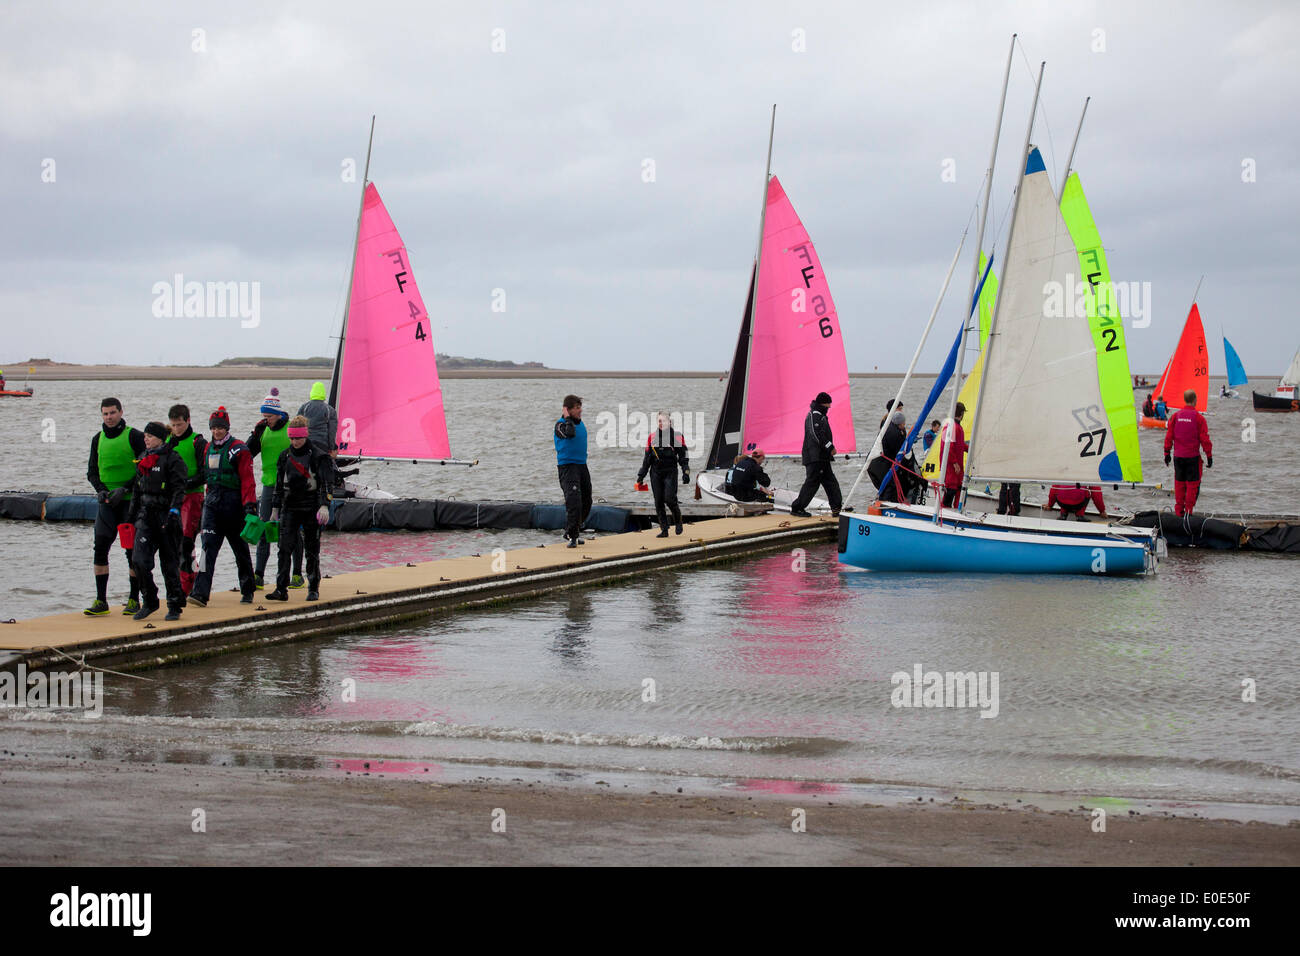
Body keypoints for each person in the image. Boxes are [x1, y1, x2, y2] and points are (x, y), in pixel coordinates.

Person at [187, 407, 259, 607]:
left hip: (234, 506)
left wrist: (250, 507)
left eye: (221, 428)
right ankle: (200, 593)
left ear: (227, 428)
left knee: (240, 550)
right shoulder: (207, 448)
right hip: (211, 506)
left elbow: (248, 481)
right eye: (214, 428)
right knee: (206, 548)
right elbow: (205, 477)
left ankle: (247, 590)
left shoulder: (240, 450)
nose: (217, 431)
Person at [84, 397, 147, 616]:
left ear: (121, 412)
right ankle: (101, 601)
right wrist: (100, 490)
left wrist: (126, 489)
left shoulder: (135, 436)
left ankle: (133, 599)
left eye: (112, 413)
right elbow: (92, 471)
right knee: (100, 549)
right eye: (105, 414)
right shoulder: (97, 439)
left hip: (129, 503)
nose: (109, 417)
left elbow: (145, 468)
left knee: (132, 552)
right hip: (107, 504)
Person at [127, 422, 188, 620]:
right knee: (138, 560)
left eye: (150, 436)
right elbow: (137, 489)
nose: (146, 439)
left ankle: (174, 604)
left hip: (167, 517)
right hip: (146, 517)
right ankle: (150, 600)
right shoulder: (143, 458)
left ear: (161, 438)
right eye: (145, 436)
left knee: (169, 564)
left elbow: (180, 489)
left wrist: (174, 511)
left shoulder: (173, 459)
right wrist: (131, 515)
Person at [265, 416, 330, 602]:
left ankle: (313, 587)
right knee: (284, 548)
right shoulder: (284, 456)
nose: (295, 442)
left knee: (312, 549)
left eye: (298, 438)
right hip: (290, 507)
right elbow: (279, 484)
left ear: (305, 435)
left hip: (311, 507)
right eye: (292, 438)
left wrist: (325, 504)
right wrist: (275, 508)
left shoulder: (318, 456)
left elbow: (326, 483)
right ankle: (281, 589)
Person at [246, 388, 303, 589]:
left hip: (291, 486)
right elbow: (247, 453)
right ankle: (259, 575)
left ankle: (297, 574)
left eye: (269, 416)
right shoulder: (262, 430)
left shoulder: (290, 429)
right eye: (264, 416)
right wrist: (255, 434)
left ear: (278, 414)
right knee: (263, 528)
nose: (266, 420)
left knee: (292, 529)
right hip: (269, 484)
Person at [165, 404, 207, 596]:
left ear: (188, 421)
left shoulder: (197, 442)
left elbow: (203, 474)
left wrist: (183, 484)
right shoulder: (168, 441)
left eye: (179, 425)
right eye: (173, 425)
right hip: (173, 498)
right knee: (173, 544)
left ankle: (195, 584)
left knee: (190, 543)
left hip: (193, 497)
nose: (176, 429)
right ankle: (180, 585)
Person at [636, 412, 690, 537]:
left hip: (670, 471)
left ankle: (678, 521)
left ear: (669, 422)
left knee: (670, 499)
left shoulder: (676, 436)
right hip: (655, 472)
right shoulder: (652, 437)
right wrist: (641, 475)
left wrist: (686, 471)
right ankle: (664, 529)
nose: (662, 423)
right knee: (658, 501)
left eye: (664, 421)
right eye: (659, 421)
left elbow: (683, 456)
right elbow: (647, 459)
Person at [790, 391, 842, 517]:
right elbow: (815, 435)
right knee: (812, 483)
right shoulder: (814, 415)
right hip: (815, 457)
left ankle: (837, 508)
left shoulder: (820, 415)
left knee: (831, 482)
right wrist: (830, 447)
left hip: (822, 458)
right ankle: (797, 508)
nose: (829, 408)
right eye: (828, 405)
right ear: (822, 404)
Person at [1164, 388, 1212, 516]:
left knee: (1179, 484)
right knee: (1192, 485)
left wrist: (1166, 453)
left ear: (1185, 400)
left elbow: (1169, 436)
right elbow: (1204, 439)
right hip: (1192, 458)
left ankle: (1179, 512)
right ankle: (1189, 511)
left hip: (1178, 458)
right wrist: (1209, 455)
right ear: (1195, 400)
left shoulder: (1175, 416)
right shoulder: (1199, 418)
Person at [554, 394, 592, 548]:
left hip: (582, 466)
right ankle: (573, 536)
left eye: (580, 407)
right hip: (567, 467)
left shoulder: (580, 424)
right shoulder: (561, 425)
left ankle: (572, 530)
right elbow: (570, 433)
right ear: (568, 410)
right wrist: (567, 418)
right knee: (574, 501)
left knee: (587, 501)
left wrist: (572, 418)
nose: (580, 410)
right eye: (577, 408)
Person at [298, 381, 339, 488]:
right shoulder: (330, 410)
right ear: (323, 394)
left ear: (312, 392)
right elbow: (332, 431)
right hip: (322, 447)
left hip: (306, 446)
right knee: (322, 473)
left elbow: (297, 426)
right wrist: (331, 447)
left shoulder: (304, 407)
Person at [868, 410, 910, 502]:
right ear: (900, 423)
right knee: (890, 486)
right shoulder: (894, 433)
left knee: (886, 487)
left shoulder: (888, 427)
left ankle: (882, 502)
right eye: (904, 423)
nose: (904, 425)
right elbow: (898, 451)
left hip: (872, 464)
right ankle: (885, 507)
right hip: (879, 465)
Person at [939, 402, 969, 509]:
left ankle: (957, 512)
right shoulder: (951, 426)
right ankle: (944, 513)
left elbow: (959, 445)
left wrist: (969, 449)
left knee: (960, 490)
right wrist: (954, 462)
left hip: (957, 468)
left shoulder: (957, 427)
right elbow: (947, 446)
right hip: (951, 468)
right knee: (950, 490)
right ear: (961, 414)